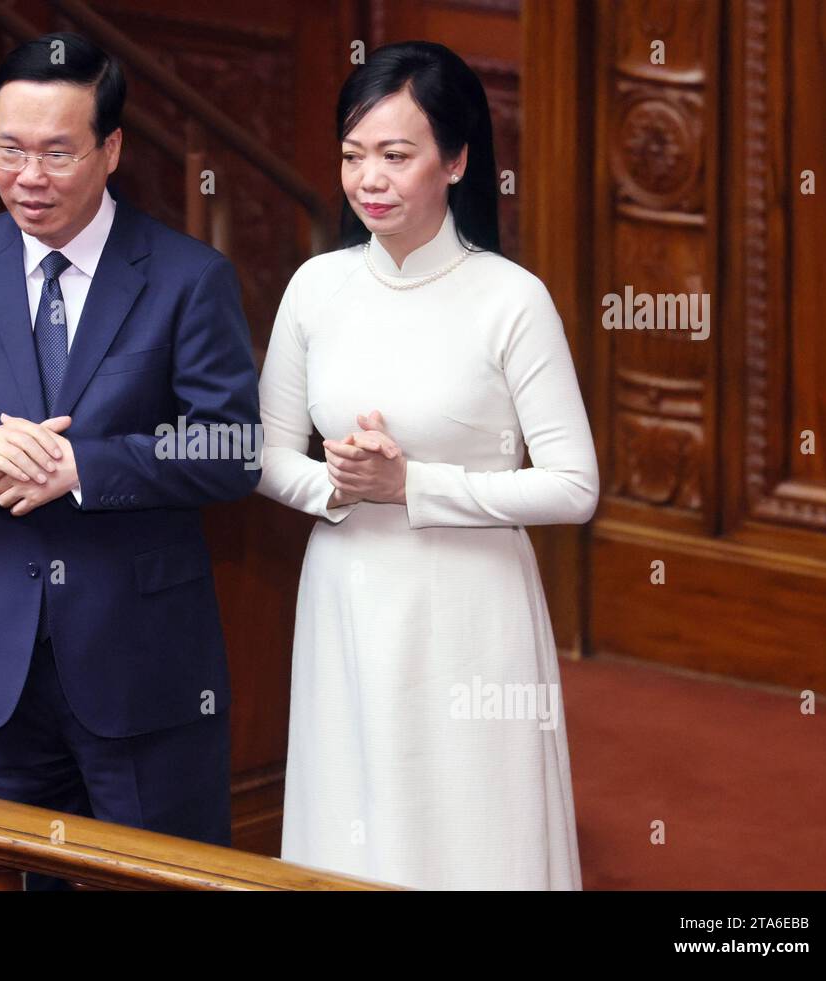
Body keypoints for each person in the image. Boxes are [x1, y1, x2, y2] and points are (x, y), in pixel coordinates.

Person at [0, 32, 260, 887]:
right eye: (8, 150)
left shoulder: (189, 278)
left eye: (56, 152)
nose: (28, 176)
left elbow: (233, 449)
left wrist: (84, 467)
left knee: (160, 879)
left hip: (142, 662)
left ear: (110, 150)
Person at [255, 41, 599, 889]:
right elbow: (261, 454)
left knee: (472, 823)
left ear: (456, 161)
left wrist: (414, 486)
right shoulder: (315, 287)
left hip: (471, 603)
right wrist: (338, 485)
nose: (369, 177)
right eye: (352, 153)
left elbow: (574, 484)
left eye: (396, 155)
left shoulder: (509, 299)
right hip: (346, 588)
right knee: (352, 813)